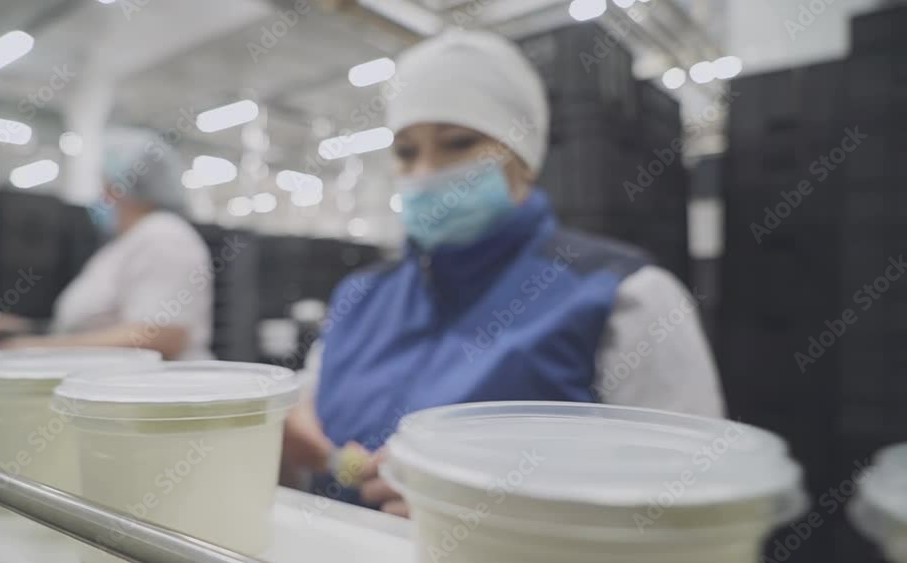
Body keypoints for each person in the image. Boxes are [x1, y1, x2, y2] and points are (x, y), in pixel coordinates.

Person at [282, 30, 725, 516]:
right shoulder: (360, 297)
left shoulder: (623, 298)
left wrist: (504, 515)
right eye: (406, 152)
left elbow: (694, 506)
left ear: (525, 157)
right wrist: (290, 441)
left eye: (459, 143)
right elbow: (309, 427)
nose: (426, 171)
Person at [0, 129, 214, 360]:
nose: (102, 197)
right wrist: (30, 329)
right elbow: (96, 325)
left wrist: (39, 347)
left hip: (156, 381)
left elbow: (161, 336)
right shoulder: (122, 244)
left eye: (107, 187)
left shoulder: (165, 236)